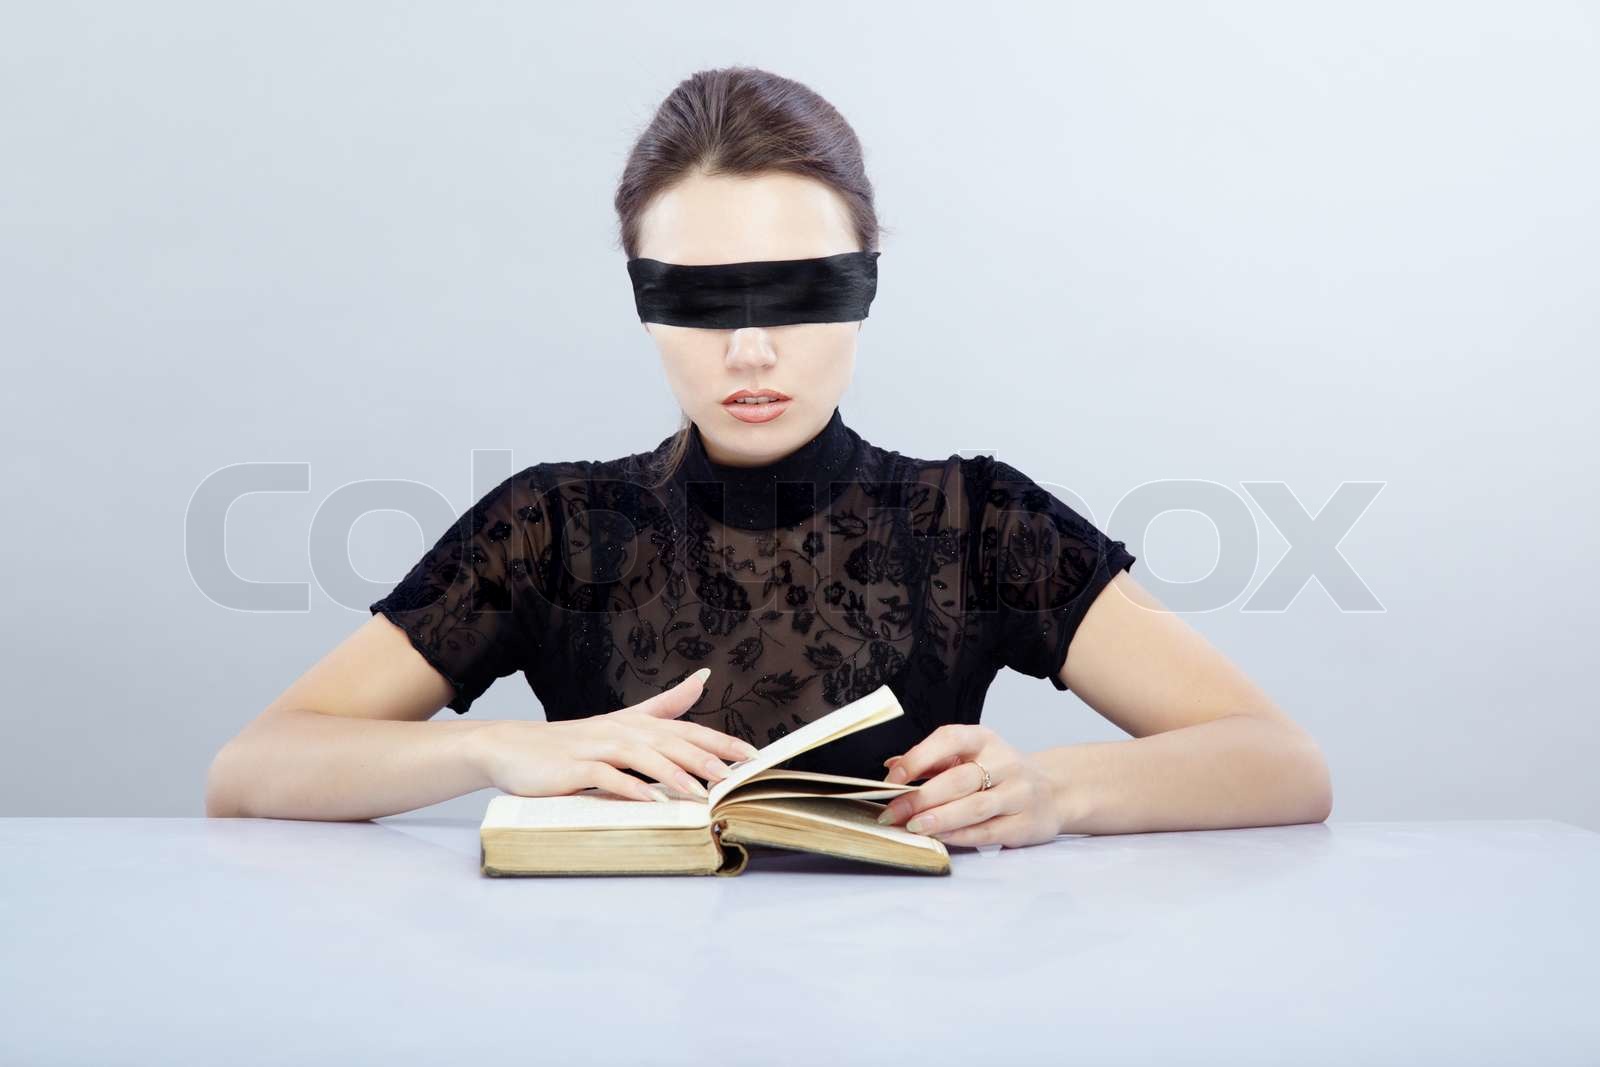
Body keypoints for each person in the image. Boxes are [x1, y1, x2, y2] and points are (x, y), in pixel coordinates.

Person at [205, 66, 1332, 847]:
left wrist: (1054, 789)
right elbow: (252, 769)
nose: (749, 347)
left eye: (798, 291)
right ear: (641, 303)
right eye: (696, 300)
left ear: (865, 287)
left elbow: (1281, 764)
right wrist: (494, 751)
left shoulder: (977, 520)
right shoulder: (547, 525)